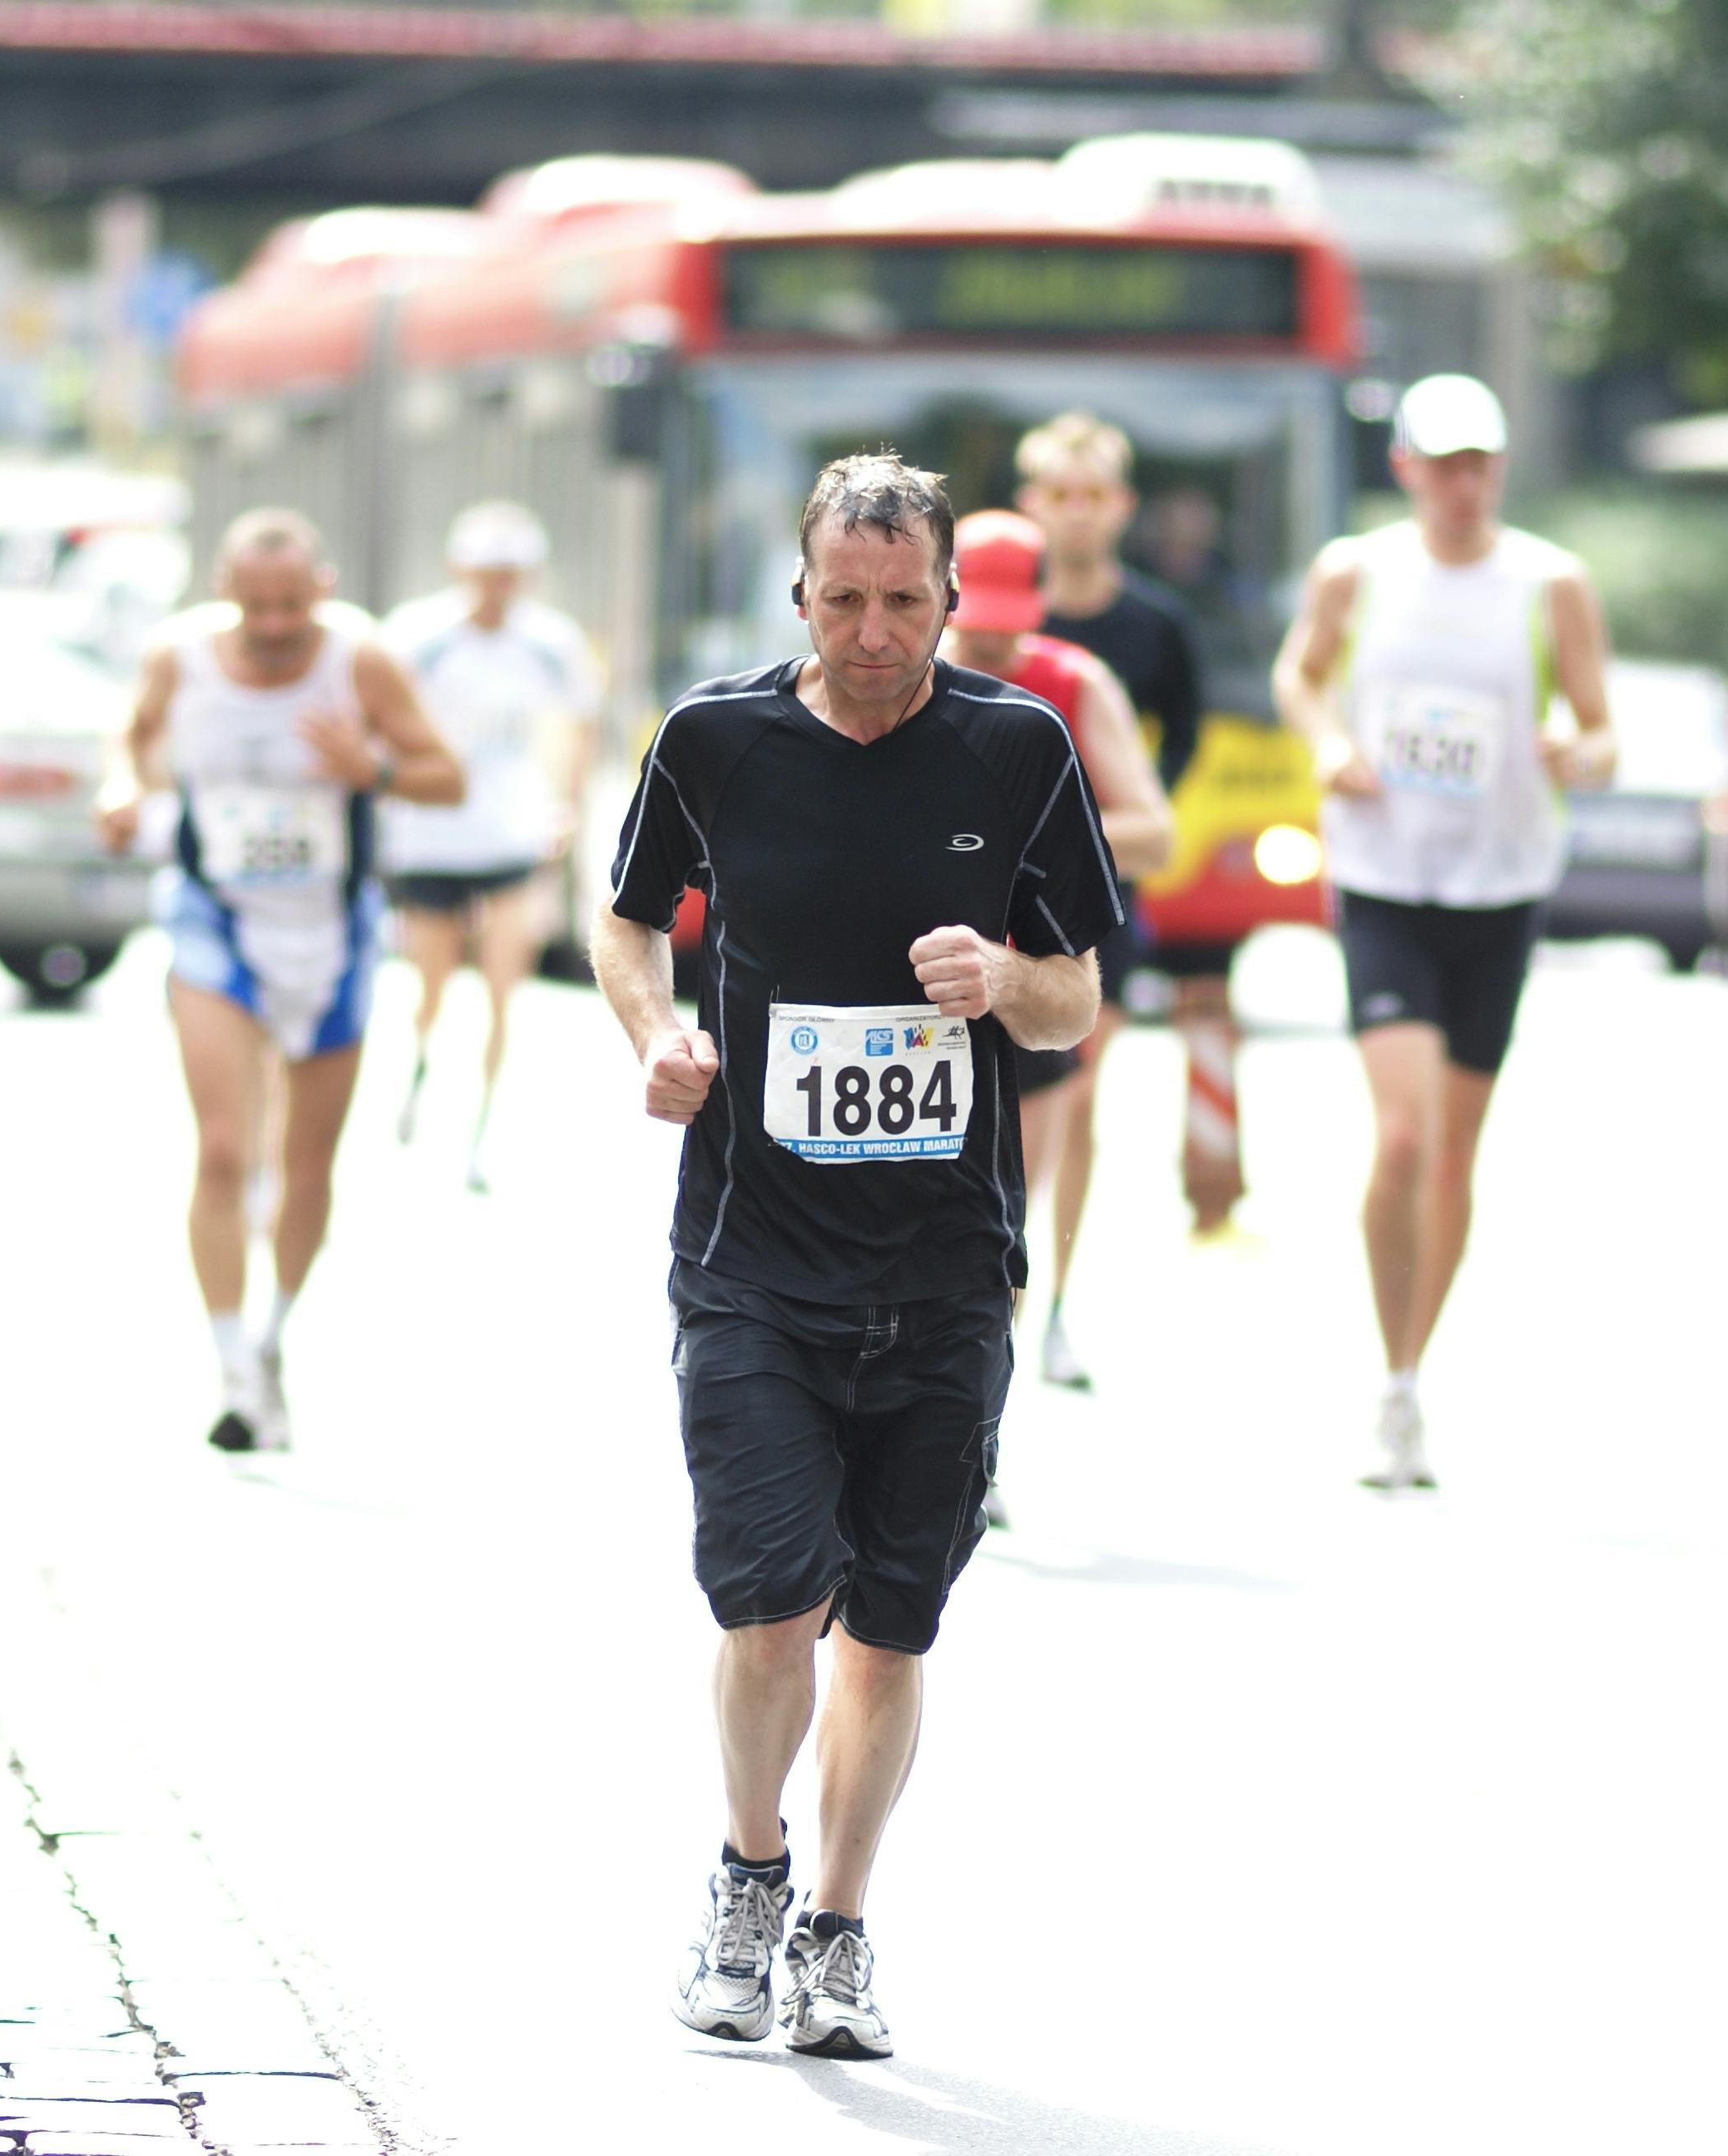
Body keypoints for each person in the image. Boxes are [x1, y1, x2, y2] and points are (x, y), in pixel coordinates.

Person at [590, 452, 1118, 2060]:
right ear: (799, 597)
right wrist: (654, 1033)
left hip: (947, 1265)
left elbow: (1077, 999)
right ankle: (747, 1875)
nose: (875, 632)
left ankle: (838, 1925)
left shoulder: (1019, 749)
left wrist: (1003, 976)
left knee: (888, 1628)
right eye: (844, 600)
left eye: (905, 601)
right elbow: (627, 917)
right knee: (770, 1600)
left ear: (951, 599)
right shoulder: (714, 739)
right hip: (752, 1252)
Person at [1270, 374, 1617, 1491]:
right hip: (1381, 875)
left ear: (1497, 470)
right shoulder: (1356, 569)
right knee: (1405, 1136)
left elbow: (1599, 724)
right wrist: (1325, 742)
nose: (1463, 484)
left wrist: (1580, 752)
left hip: (1498, 882)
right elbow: (1299, 673)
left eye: (1481, 464)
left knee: (1455, 1148)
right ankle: (1388, 1383)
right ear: (1405, 468)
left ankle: (1410, 1376)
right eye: (1443, 463)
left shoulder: (1546, 580)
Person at [97, 509, 463, 1453]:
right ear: (224, 592)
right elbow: (130, 738)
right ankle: (228, 1366)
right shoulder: (179, 656)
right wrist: (123, 789)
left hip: (330, 931)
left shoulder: (361, 660)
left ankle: (270, 1343)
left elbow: (443, 776)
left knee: (307, 1166)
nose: (270, 624)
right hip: (215, 919)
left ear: (323, 589)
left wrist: (369, 766)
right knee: (223, 1150)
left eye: (290, 605)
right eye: (253, 604)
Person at [1016, 410, 1245, 1357]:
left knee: (1072, 1089)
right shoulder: (995, 615)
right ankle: (997, 1282)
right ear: (1031, 504)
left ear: (1120, 506)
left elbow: (1186, 730)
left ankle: (1057, 1295)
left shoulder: (1151, 623)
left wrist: (1131, 811)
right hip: (993, 888)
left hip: (1099, 890)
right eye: (1057, 496)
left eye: (1092, 496)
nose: (1074, 514)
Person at [941, 509, 1173, 1407]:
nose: (993, 640)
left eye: (1010, 617)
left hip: (1033, 975)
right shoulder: (895, 671)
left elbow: (1152, 833)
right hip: (917, 979)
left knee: (1005, 1204)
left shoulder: (1073, 683)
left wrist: (1018, 840)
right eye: (977, 618)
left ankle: (982, 1417)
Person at [382, 501, 605, 1191]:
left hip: (510, 832)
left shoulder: (551, 643)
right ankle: (416, 1076)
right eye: (486, 573)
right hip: (431, 838)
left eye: (509, 574)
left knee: (503, 990)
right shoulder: (418, 635)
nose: (496, 588)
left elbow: (581, 723)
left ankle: (479, 1128)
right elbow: (378, 716)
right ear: (461, 571)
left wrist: (567, 809)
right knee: (432, 987)